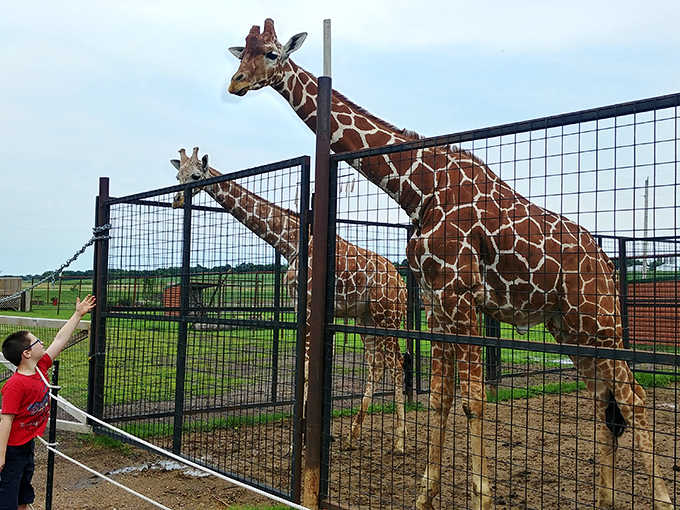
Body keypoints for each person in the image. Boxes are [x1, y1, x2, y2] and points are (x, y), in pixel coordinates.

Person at [0, 295, 96, 510]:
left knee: (23, 495)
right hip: (12, 449)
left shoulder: (41, 367)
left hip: (27, 443)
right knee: (7, 496)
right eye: (36, 342)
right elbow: (5, 420)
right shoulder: (15, 385)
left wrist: (78, 314)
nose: (42, 343)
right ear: (26, 353)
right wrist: (1, 456)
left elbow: (59, 340)